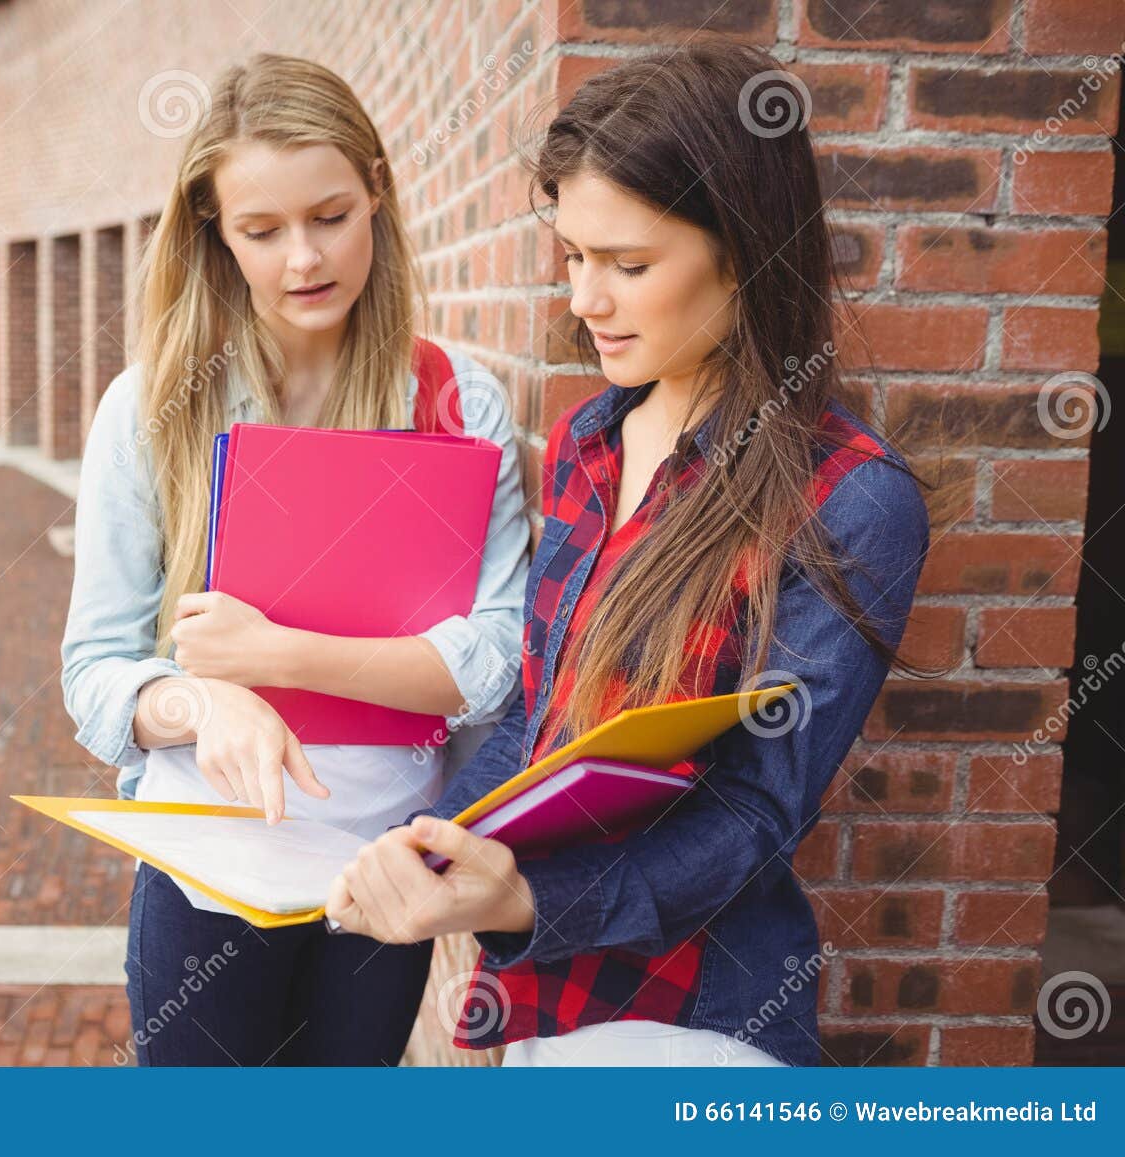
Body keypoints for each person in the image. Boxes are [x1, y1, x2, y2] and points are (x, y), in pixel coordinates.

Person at [327, 38, 933, 1068]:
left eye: (628, 264)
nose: (583, 299)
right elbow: (535, 706)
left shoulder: (850, 500)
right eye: (571, 256)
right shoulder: (585, 443)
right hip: (534, 1000)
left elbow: (752, 815)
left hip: (691, 1022)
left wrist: (525, 894)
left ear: (742, 250)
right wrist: (433, 834)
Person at [60, 53, 531, 1066]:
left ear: (377, 192)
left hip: (381, 876)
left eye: (329, 215)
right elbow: (94, 671)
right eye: (260, 230)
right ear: (216, 236)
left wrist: (273, 655)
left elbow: (493, 663)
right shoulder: (148, 412)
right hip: (204, 876)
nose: (301, 259)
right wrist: (204, 701)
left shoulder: (457, 401)